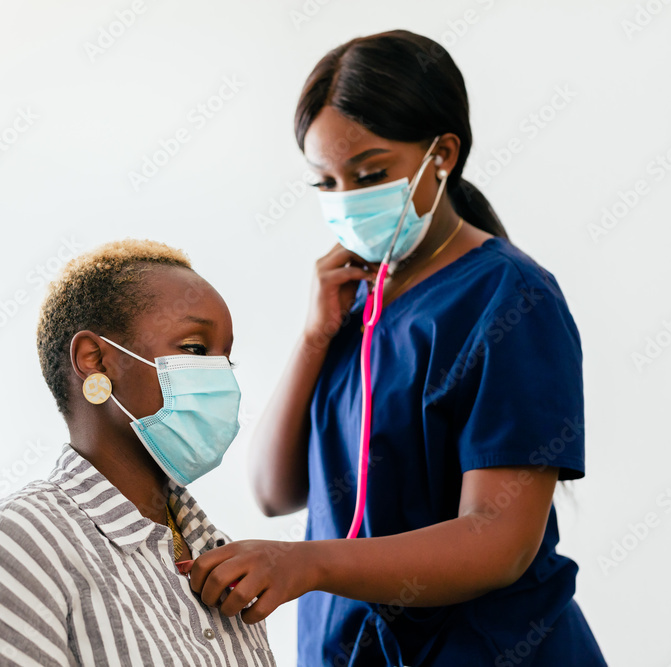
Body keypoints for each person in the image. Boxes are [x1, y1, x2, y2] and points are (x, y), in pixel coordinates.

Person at [187, 30, 607, 666]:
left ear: (442, 153)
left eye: (371, 173)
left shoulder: (511, 299)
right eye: (325, 182)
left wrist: (308, 563)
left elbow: (500, 543)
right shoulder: (356, 299)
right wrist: (312, 337)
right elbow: (275, 490)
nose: (349, 201)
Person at [0, 239, 275, 666]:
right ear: (96, 361)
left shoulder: (215, 549)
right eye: (195, 349)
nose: (221, 376)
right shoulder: (25, 539)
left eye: (226, 359)